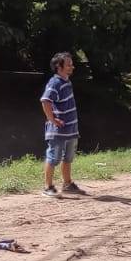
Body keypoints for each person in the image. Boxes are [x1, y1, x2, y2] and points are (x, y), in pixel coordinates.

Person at [39, 51, 85, 197]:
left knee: (68, 157)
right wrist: (52, 119)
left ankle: (67, 184)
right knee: (54, 157)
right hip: (58, 130)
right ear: (59, 66)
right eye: (69, 65)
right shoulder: (55, 83)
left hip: (70, 129)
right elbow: (45, 100)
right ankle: (48, 187)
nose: (72, 67)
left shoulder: (66, 82)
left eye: (72, 64)